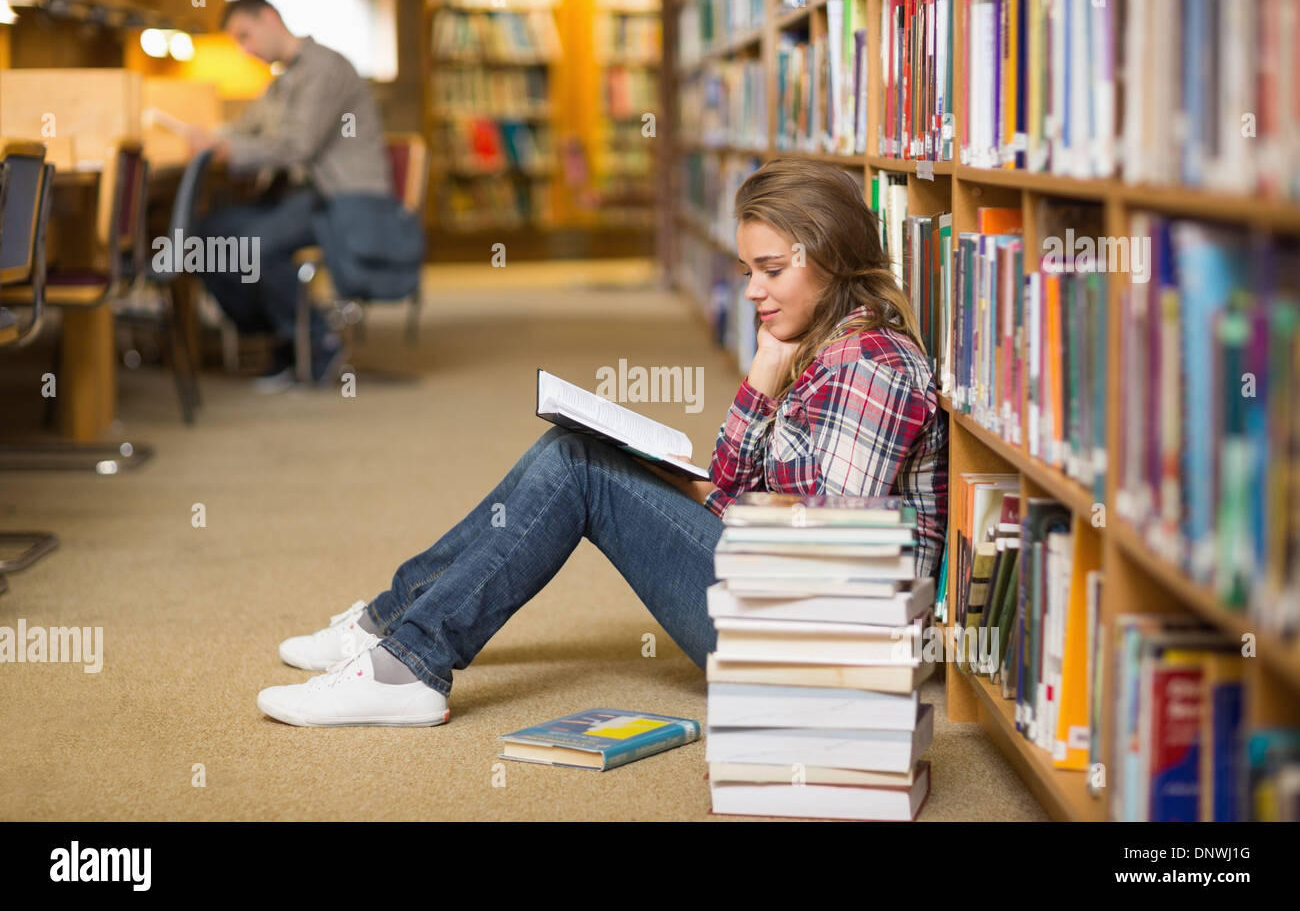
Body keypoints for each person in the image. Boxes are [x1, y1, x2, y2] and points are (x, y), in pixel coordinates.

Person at [256, 157, 949, 727]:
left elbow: (821, 550)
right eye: (747, 273)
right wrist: (759, 386)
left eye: (772, 269)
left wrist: (718, 499)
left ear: (830, 255)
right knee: (573, 452)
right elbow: (741, 485)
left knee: (577, 467)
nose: (753, 293)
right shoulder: (819, 347)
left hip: (808, 641)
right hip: (775, 599)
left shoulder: (868, 367)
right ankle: (390, 627)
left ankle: (404, 658)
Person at [189, 0, 392, 390]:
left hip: (344, 198)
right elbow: (248, 127)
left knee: (252, 246)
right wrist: (218, 137)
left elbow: (299, 145)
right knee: (202, 237)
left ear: (270, 18)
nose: (244, 49)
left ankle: (316, 341)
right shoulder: (284, 79)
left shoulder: (323, 68)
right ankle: (280, 336)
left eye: (244, 35)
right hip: (302, 197)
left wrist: (230, 149)